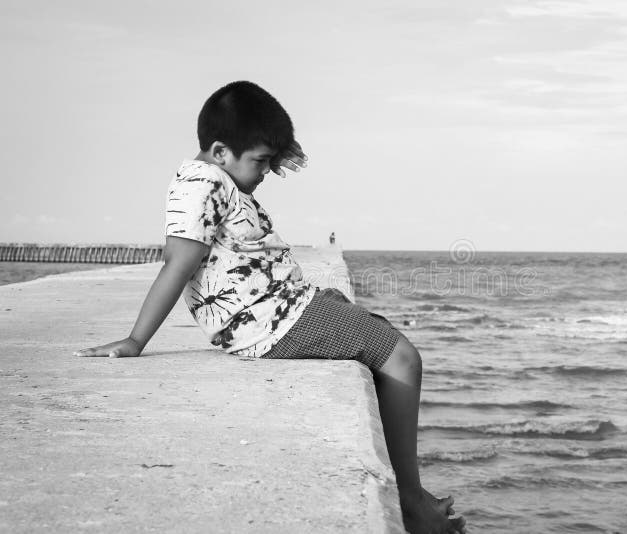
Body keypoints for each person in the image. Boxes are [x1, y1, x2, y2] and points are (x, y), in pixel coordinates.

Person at [73, 81, 466, 534]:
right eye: (261, 162)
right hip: (270, 322)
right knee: (401, 356)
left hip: (278, 308)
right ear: (220, 152)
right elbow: (178, 263)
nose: (267, 172)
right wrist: (135, 339)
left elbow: (239, 198)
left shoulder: (217, 176)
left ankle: (407, 488)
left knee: (368, 326)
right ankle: (410, 501)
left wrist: (271, 149)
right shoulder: (201, 186)